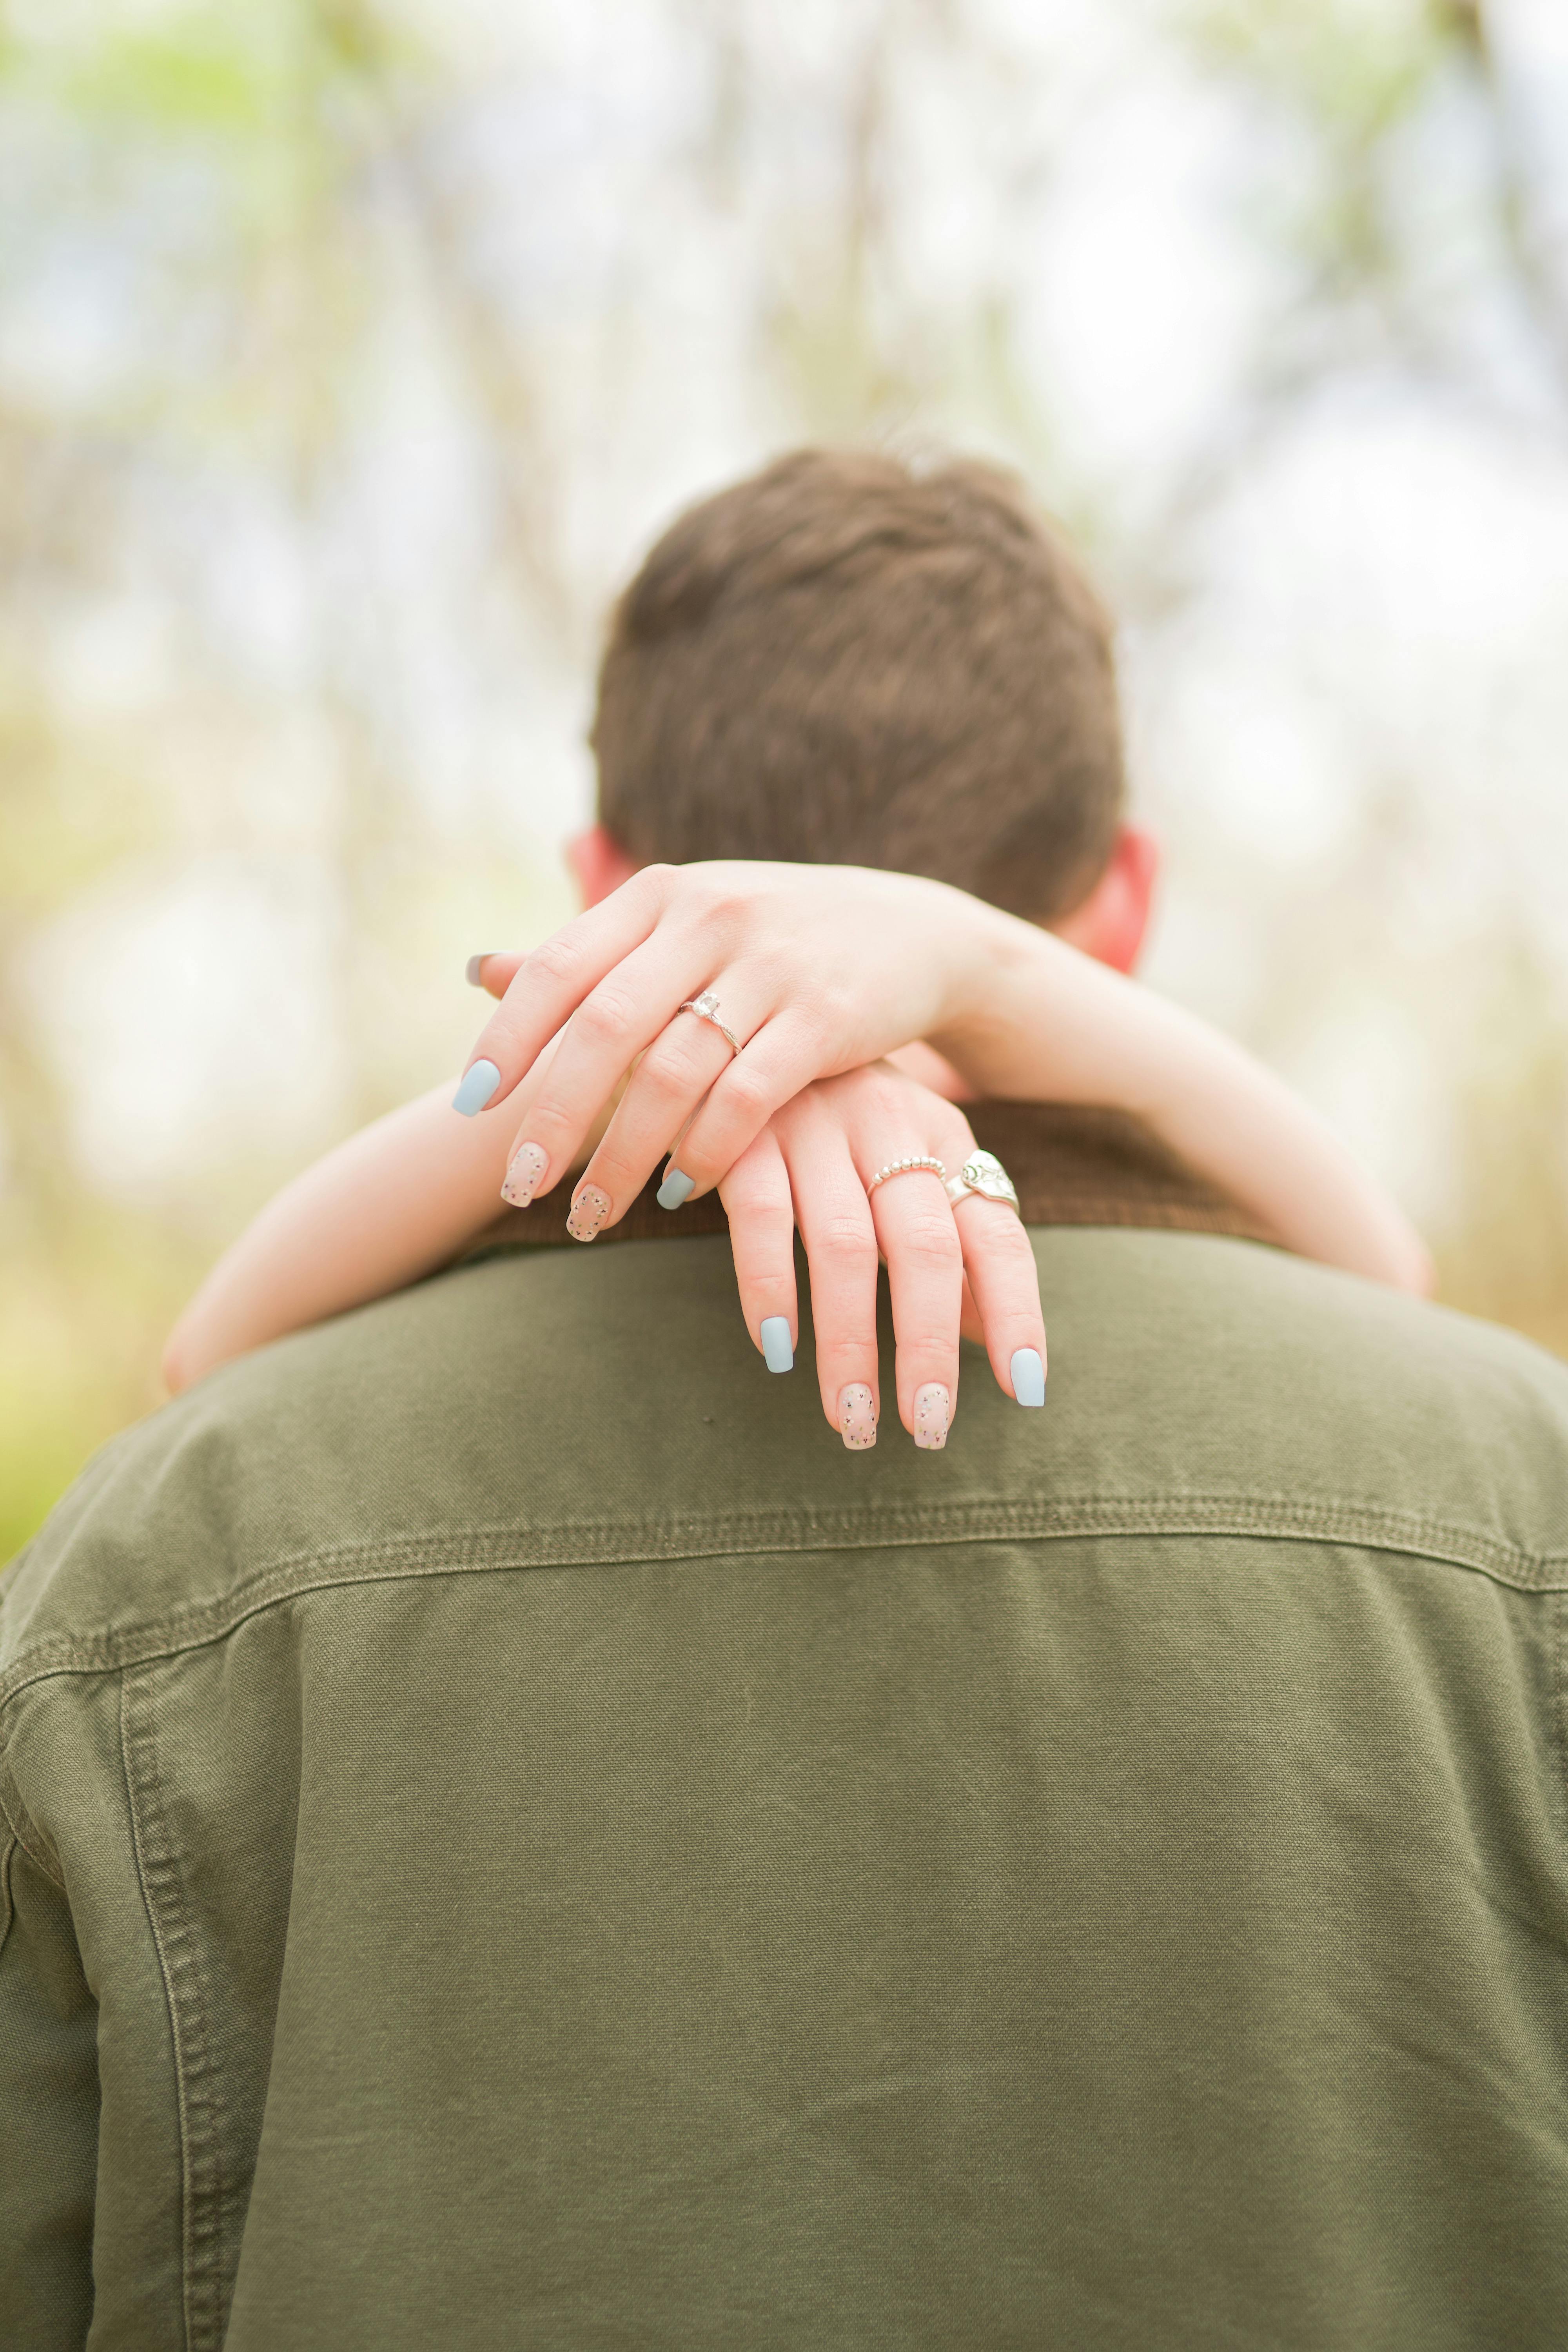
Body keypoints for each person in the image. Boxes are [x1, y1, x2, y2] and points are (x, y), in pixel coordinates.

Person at [5, 452, 1567, 2349]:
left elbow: (204, 1361)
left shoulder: (166, 1545)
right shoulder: (1521, 1483)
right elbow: (1387, 1270)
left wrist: (728, 1027)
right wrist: (965, 988)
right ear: (1127, 903)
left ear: (598, 893)